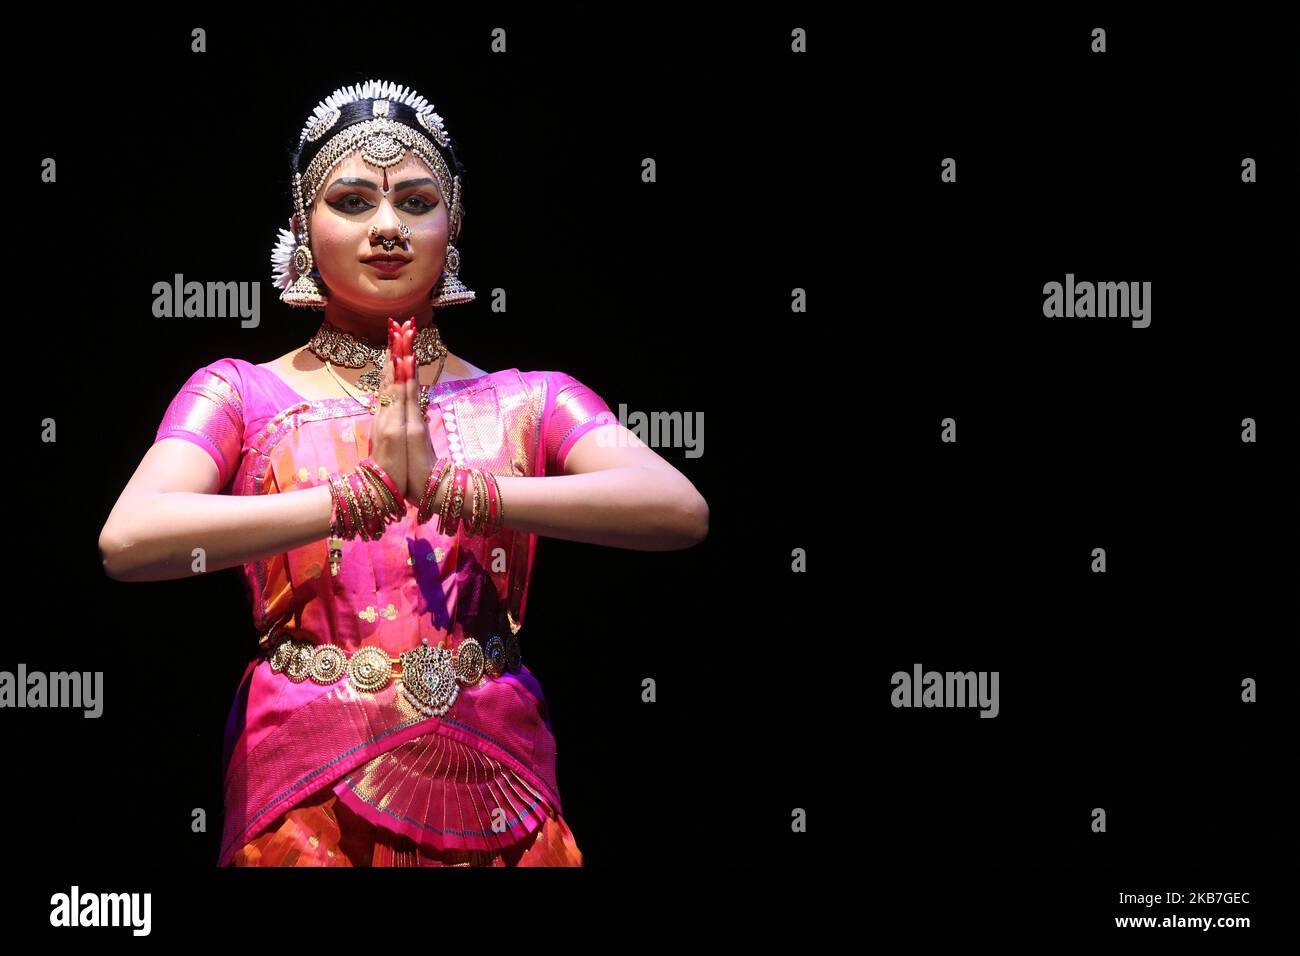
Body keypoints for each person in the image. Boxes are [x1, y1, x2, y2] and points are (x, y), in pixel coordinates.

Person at [98, 78, 709, 867]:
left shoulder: (528, 398)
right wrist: (359, 498)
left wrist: (467, 493)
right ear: (299, 227)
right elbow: (130, 540)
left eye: (417, 202)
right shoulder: (240, 392)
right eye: (352, 202)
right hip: (306, 786)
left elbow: (677, 509)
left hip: (503, 780)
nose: (388, 226)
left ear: (451, 230)